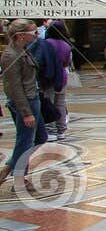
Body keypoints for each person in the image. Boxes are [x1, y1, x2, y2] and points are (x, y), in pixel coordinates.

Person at [0, 20, 41, 190]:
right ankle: (18, 178)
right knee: (25, 140)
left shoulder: (23, 50)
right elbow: (14, 87)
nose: (37, 35)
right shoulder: (11, 55)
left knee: (40, 137)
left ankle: (8, 169)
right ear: (20, 35)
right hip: (26, 102)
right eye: (33, 32)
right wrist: (26, 112)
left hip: (33, 98)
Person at [42, 22, 72, 136]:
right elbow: (67, 62)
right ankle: (61, 129)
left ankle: (50, 129)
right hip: (62, 76)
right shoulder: (66, 45)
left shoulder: (46, 43)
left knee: (48, 102)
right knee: (60, 103)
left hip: (48, 76)